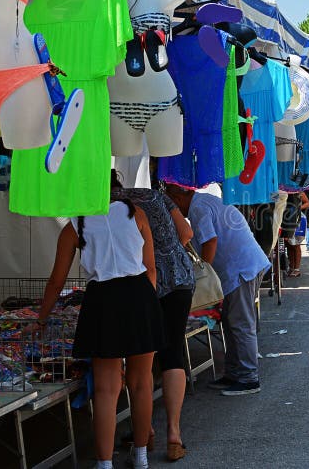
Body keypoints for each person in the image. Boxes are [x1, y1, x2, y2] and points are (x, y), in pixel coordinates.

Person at [37, 185, 165, 469]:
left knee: (106, 389)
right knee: (142, 382)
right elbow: (152, 268)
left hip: (102, 301)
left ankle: (104, 463)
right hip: (140, 295)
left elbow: (56, 282)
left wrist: (41, 317)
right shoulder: (137, 214)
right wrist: (144, 307)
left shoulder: (74, 226)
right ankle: (141, 456)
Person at [165, 185, 271, 396]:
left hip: (241, 268)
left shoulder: (198, 207)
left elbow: (210, 241)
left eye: (173, 205)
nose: (174, 211)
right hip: (242, 267)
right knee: (233, 323)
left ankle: (248, 378)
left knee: (240, 324)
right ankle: (234, 373)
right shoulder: (203, 202)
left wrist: (205, 273)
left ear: (177, 197)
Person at [117, 174, 194, 462]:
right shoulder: (156, 197)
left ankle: (145, 430)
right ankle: (174, 434)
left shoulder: (112, 204)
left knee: (140, 356)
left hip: (140, 282)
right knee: (173, 352)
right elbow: (186, 234)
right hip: (178, 278)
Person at [285, 192, 309, 277]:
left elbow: (307, 203)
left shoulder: (298, 191)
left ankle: (296, 269)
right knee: (288, 244)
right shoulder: (282, 189)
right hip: (286, 219)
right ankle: (291, 266)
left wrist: (298, 208)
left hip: (298, 219)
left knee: (296, 245)